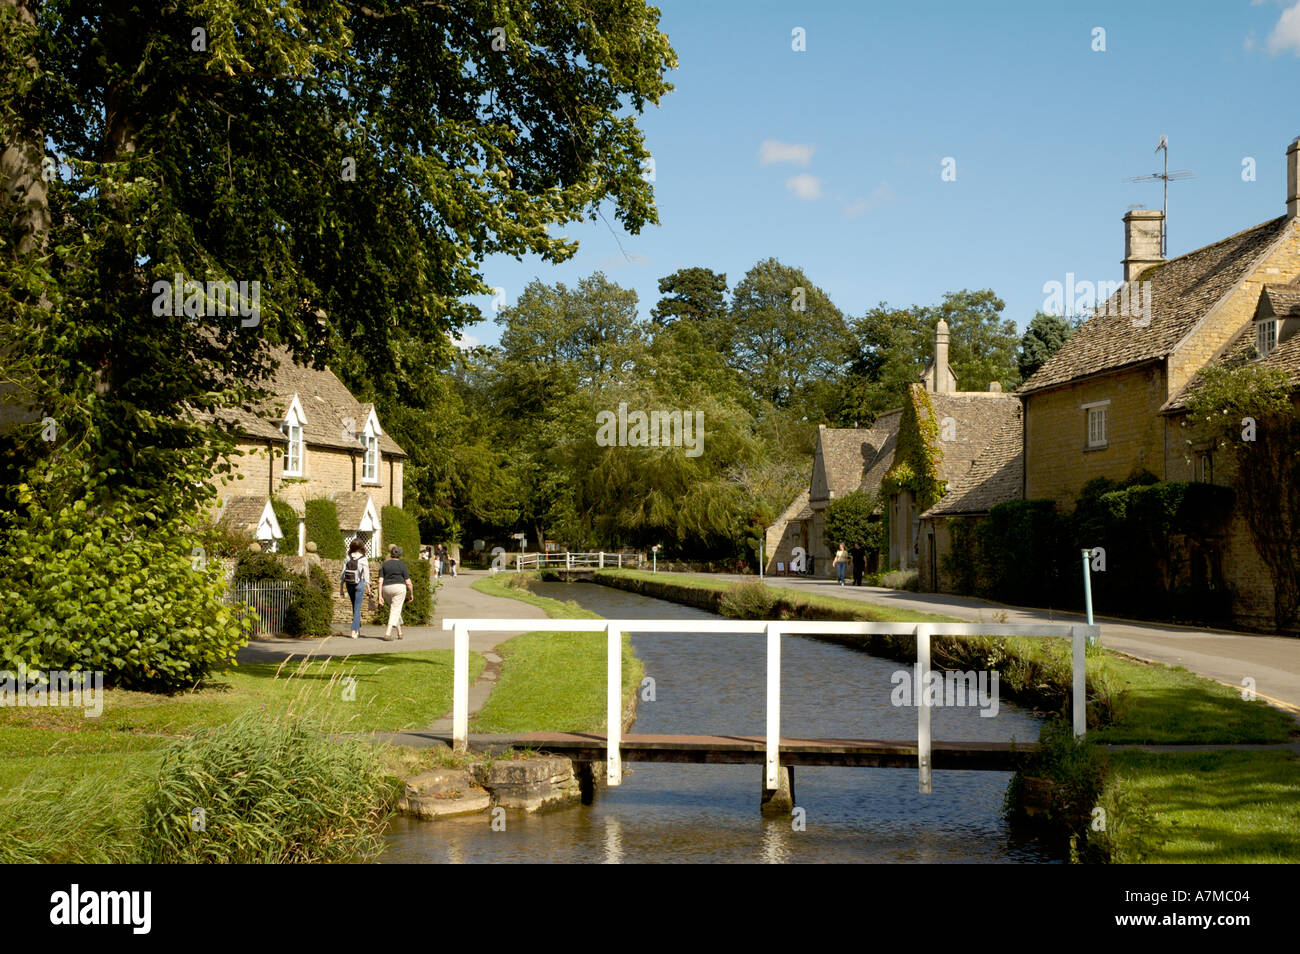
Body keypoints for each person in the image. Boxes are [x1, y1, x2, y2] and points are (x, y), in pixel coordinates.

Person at [377, 544, 414, 641]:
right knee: (395, 610)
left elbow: (380, 580)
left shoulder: (385, 564)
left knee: (394, 609)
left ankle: (399, 632)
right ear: (400, 555)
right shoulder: (402, 565)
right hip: (399, 588)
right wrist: (411, 594)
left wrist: (380, 595)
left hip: (386, 589)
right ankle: (388, 633)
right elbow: (408, 582)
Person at [339, 540, 369, 639]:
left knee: (354, 606)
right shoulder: (363, 558)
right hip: (359, 584)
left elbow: (343, 574)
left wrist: (341, 589)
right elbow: (366, 575)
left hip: (349, 583)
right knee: (357, 608)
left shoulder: (348, 557)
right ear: (361, 547)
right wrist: (368, 587)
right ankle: (354, 630)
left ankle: (357, 628)